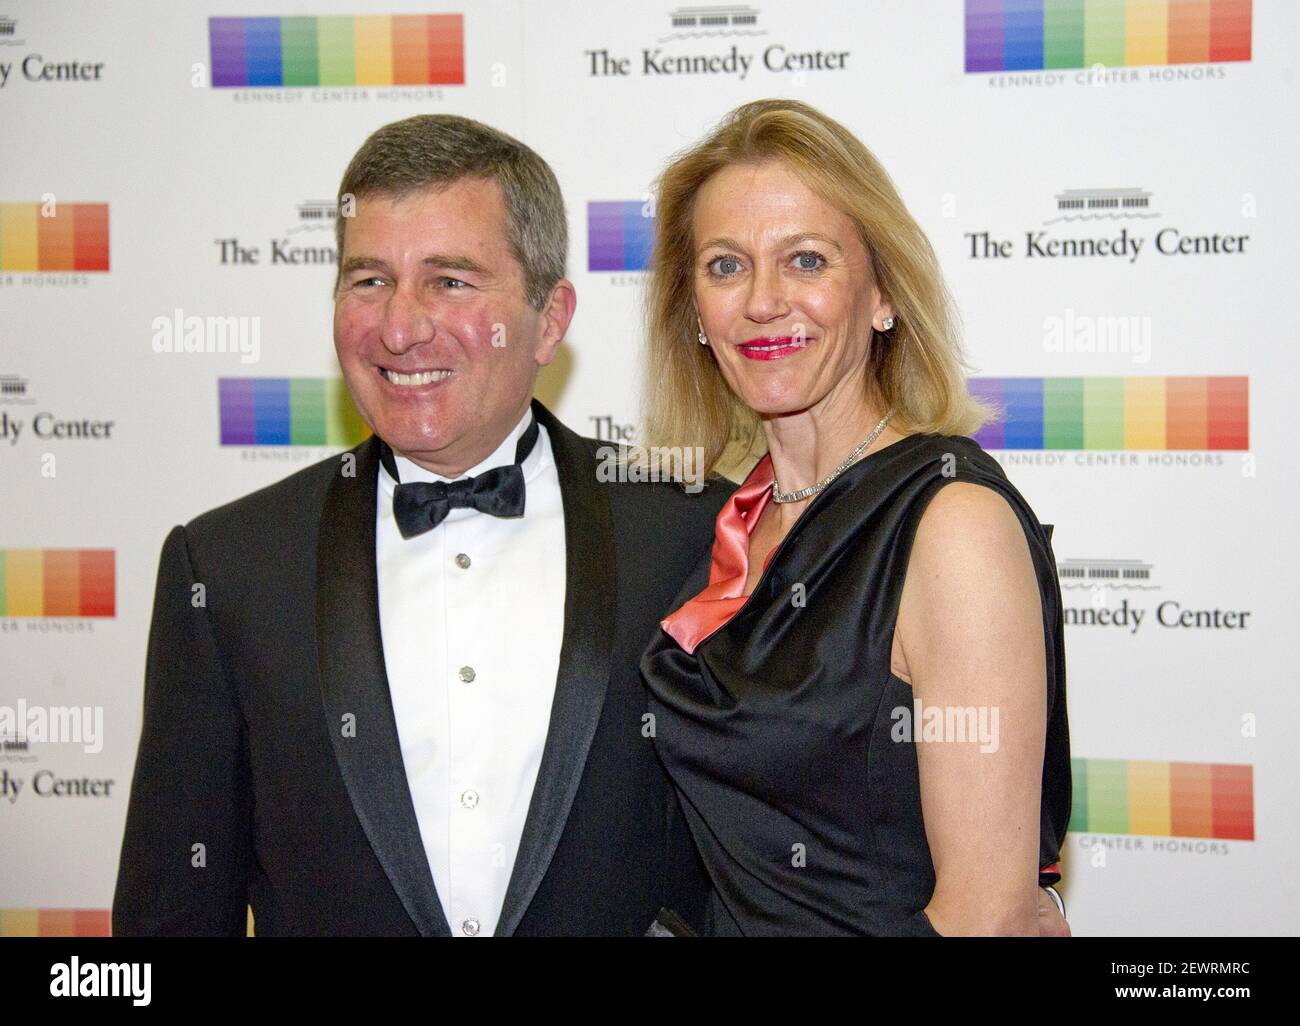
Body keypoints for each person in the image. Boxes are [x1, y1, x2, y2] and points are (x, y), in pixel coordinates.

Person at [112, 114, 729, 937]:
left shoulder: (701, 532)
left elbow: (762, 874)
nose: (400, 327)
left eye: (450, 281)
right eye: (368, 280)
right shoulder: (225, 569)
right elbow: (172, 914)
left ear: (549, 318)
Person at [639, 99, 1072, 936]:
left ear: (882, 295)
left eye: (805, 260)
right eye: (726, 267)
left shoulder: (950, 526)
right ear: (694, 312)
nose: (763, 302)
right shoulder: (733, 518)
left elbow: (988, 919)